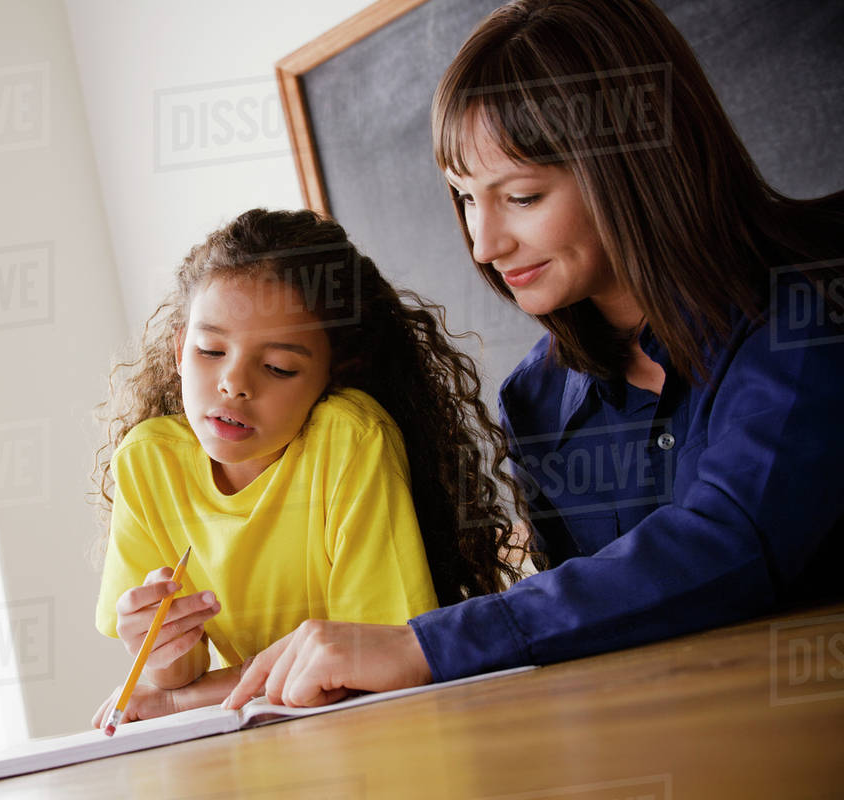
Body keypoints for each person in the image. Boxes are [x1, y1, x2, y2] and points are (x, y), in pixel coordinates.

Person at [224, 0, 844, 710]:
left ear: (635, 162)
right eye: (465, 198)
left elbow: (731, 543)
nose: (485, 244)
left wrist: (429, 645)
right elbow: (582, 634)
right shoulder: (534, 401)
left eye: (521, 196)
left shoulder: (811, 301)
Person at [90, 208, 526, 726]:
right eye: (210, 350)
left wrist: (176, 701)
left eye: (278, 368)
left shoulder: (349, 439)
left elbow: (364, 662)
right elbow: (178, 672)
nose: (234, 384)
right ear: (179, 349)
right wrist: (163, 649)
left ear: (335, 372)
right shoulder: (148, 461)